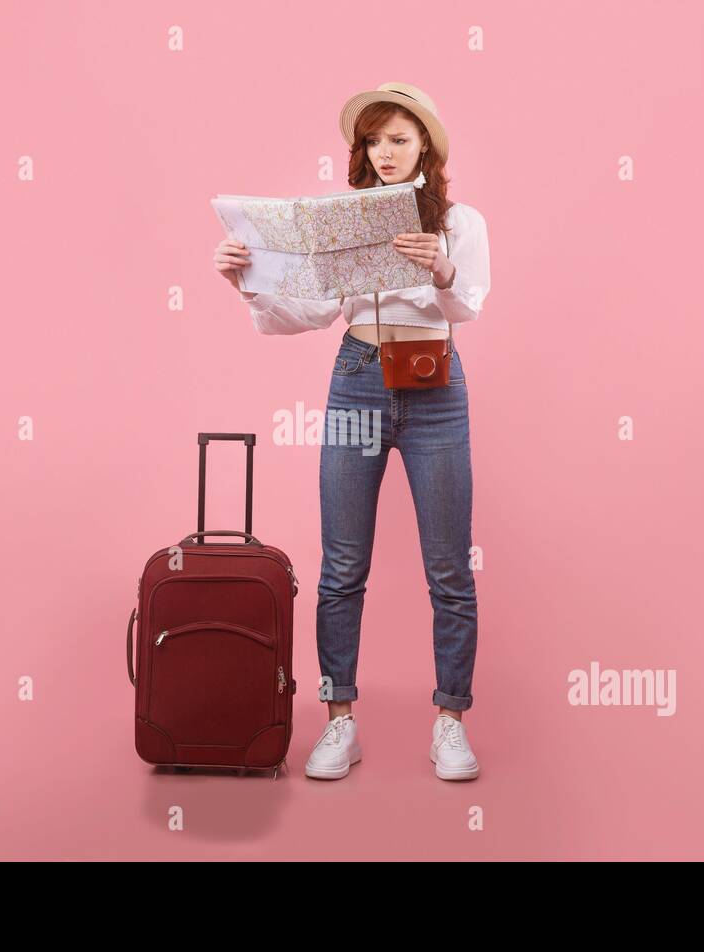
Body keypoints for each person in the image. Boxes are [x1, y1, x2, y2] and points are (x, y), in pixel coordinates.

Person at [212, 83, 490, 781]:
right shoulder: (344, 219)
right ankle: (340, 721)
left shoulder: (459, 220)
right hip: (360, 375)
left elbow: (470, 303)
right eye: (374, 141)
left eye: (399, 138)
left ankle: (450, 723)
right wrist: (248, 284)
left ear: (425, 142)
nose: (386, 152)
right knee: (342, 567)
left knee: (450, 568)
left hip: (434, 383)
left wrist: (440, 265)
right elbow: (307, 313)